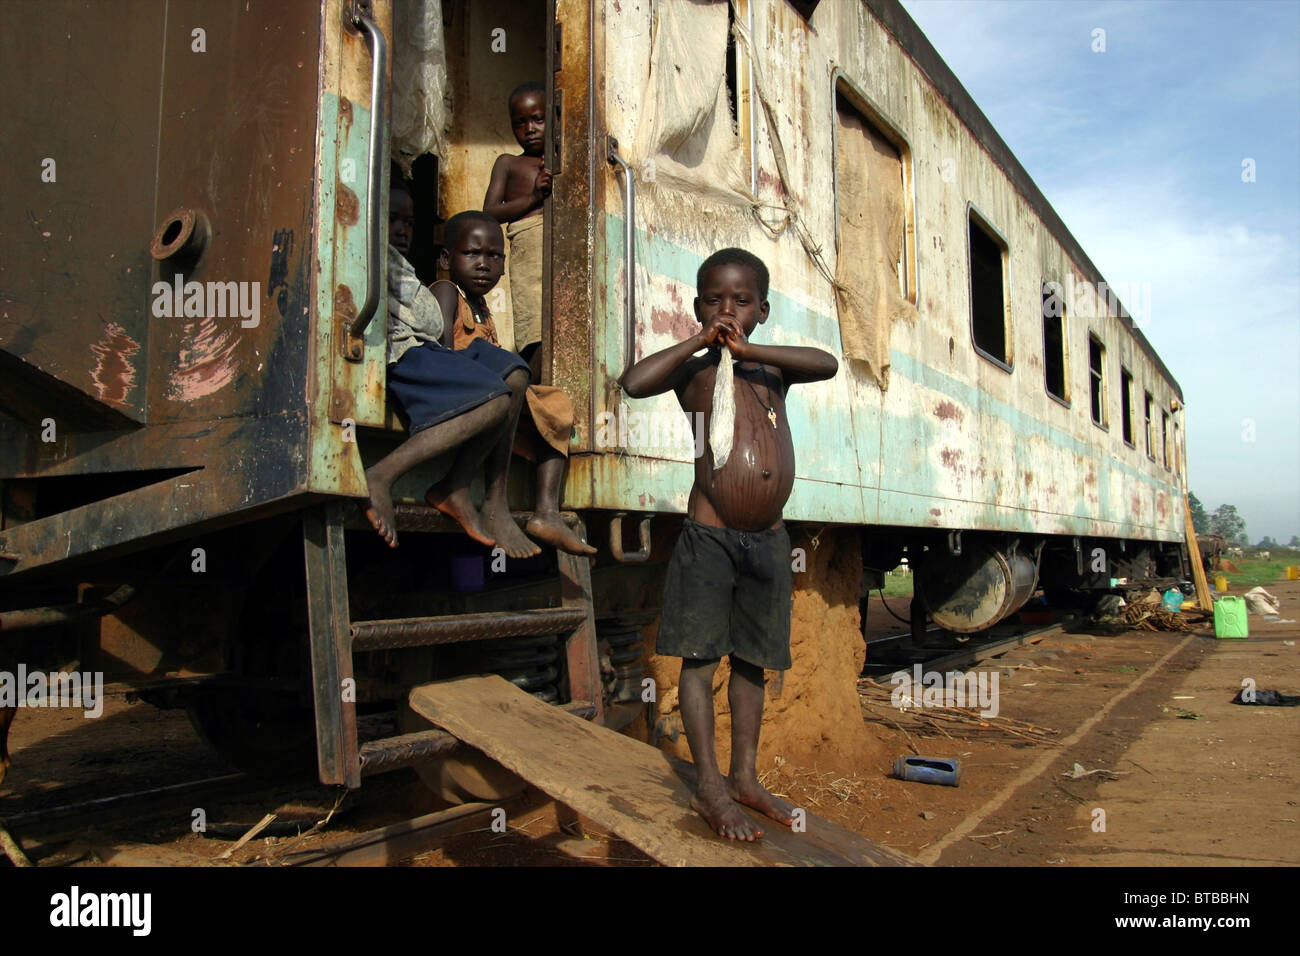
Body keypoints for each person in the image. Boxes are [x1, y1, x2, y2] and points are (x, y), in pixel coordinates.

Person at [619, 248, 838, 841]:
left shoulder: (771, 370)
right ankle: (709, 786)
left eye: (741, 301)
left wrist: (749, 351)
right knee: (698, 658)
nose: (727, 310)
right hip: (711, 535)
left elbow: (828, 363)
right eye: (714, 299)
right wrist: (697, 342)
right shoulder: (694, 372)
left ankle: (745, 776)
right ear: (697, 306)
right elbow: (633, 383)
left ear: (762, 311)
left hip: (767, 539)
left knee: (752, 661)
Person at [363, 186, 538, 559]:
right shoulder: (366, 253)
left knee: (516, 374)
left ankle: (468, 490)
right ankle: (381, 474)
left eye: (408, 222)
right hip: (407, 354)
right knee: (494, 401)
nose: (401, 230)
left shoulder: (400, 264)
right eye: (390, 219)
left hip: (429, 351)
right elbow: (428, 329)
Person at [435, 210, 595, 555]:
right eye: (472, 254)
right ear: (447, 259)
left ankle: (547, 513)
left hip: (493, 391)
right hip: (468, 393)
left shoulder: (482, 307)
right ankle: (495, 503)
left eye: (494, 256)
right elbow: (443, 359)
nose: (483, 264)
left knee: (556, 404)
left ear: (505, 266)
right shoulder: (447, 293)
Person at [483, 80, 550, 359]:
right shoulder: (508, 163)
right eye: (520, 122)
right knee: (534, 330)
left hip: (561, 254)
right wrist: (534, 197)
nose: (530, 129)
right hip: (528, 256)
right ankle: (533, 390)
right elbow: (490, 212)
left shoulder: (562, 160)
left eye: (538, 119)